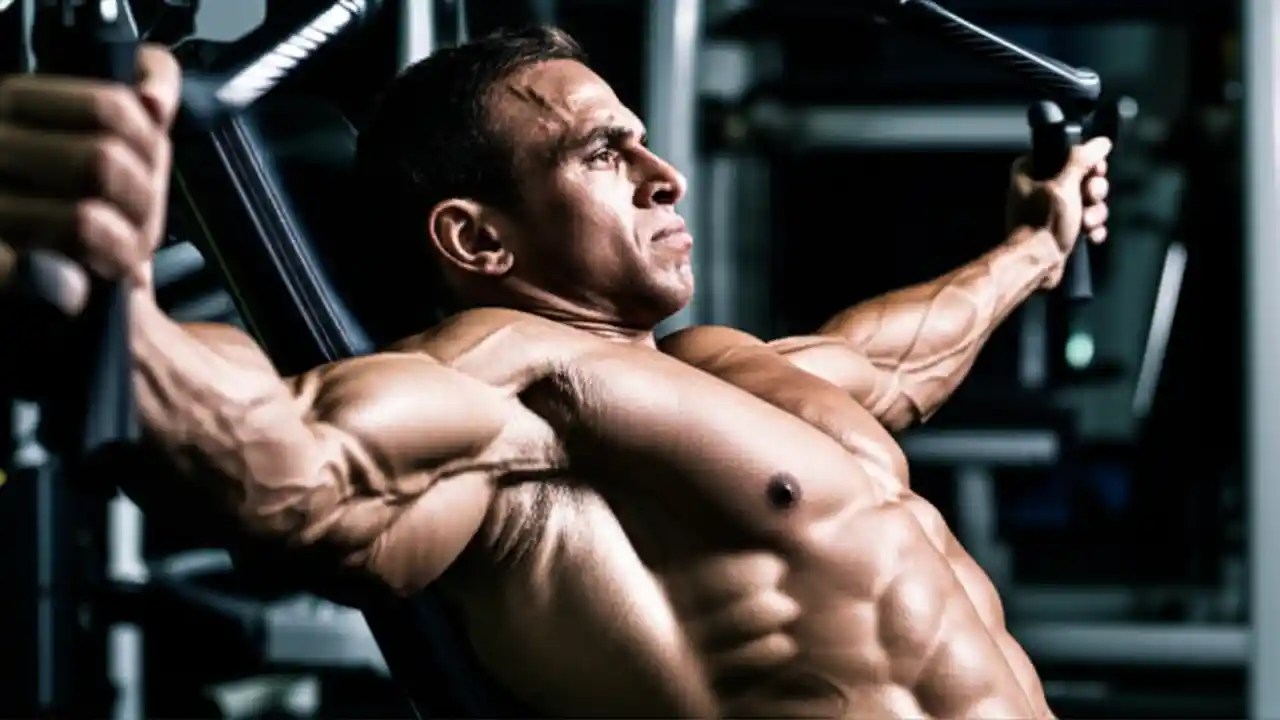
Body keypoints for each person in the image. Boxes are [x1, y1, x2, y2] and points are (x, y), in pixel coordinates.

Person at [0, 25, 1112, 718]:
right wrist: (92, 299)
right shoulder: (518, 385)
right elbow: (301, 474)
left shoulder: (727, 370)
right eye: (599, 153)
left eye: (638, 139)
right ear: (479, 242)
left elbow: (895, 362)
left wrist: (1036, 242)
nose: (661, 173)